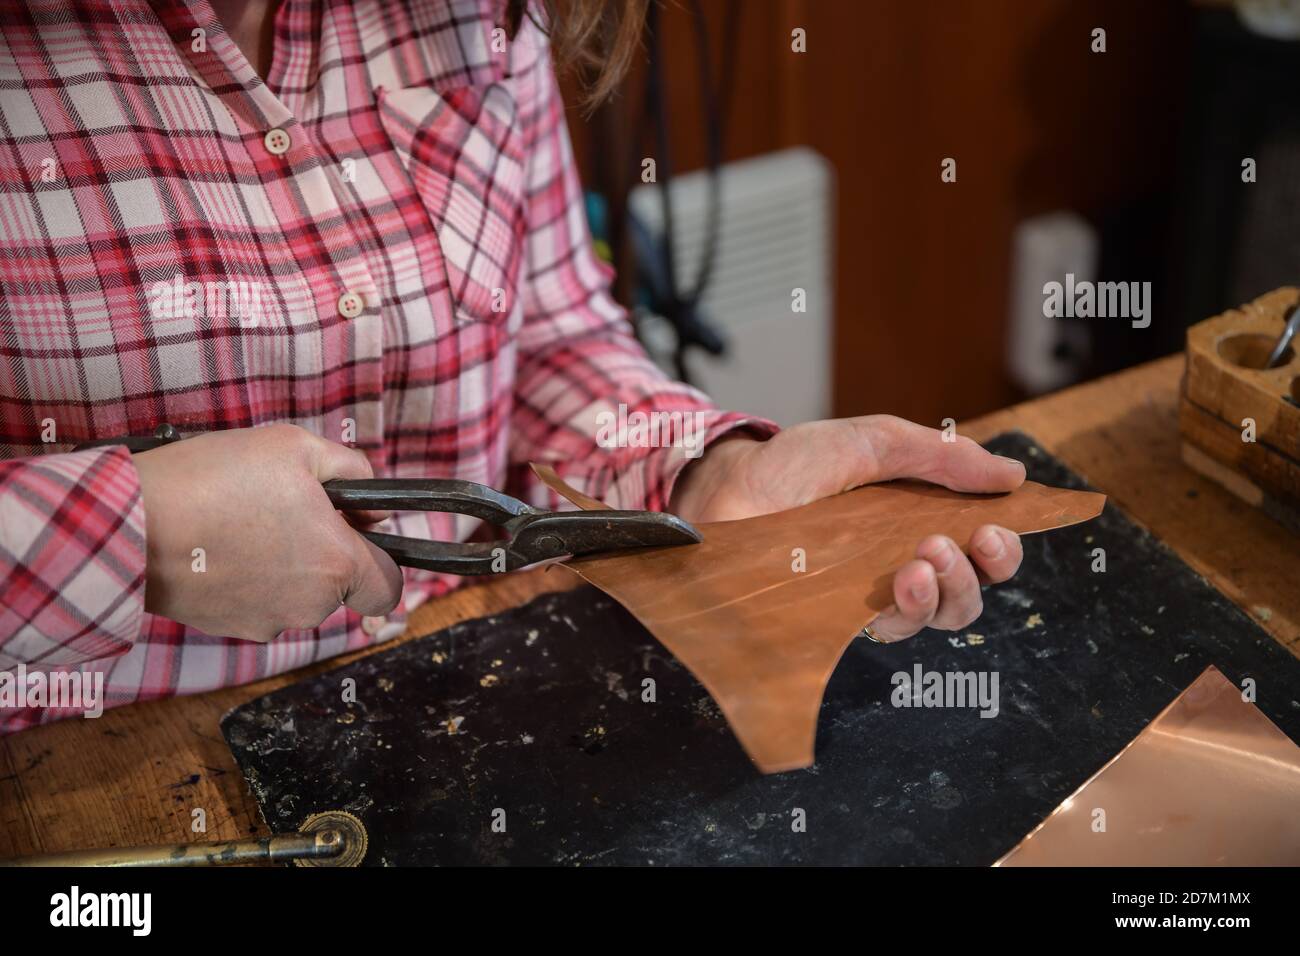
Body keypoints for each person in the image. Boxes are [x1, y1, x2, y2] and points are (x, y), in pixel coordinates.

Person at [0, 0, 1026, 732]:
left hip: (471, 682)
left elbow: (545, 330)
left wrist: (700, 473)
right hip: (98, 765)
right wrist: (137, 537)